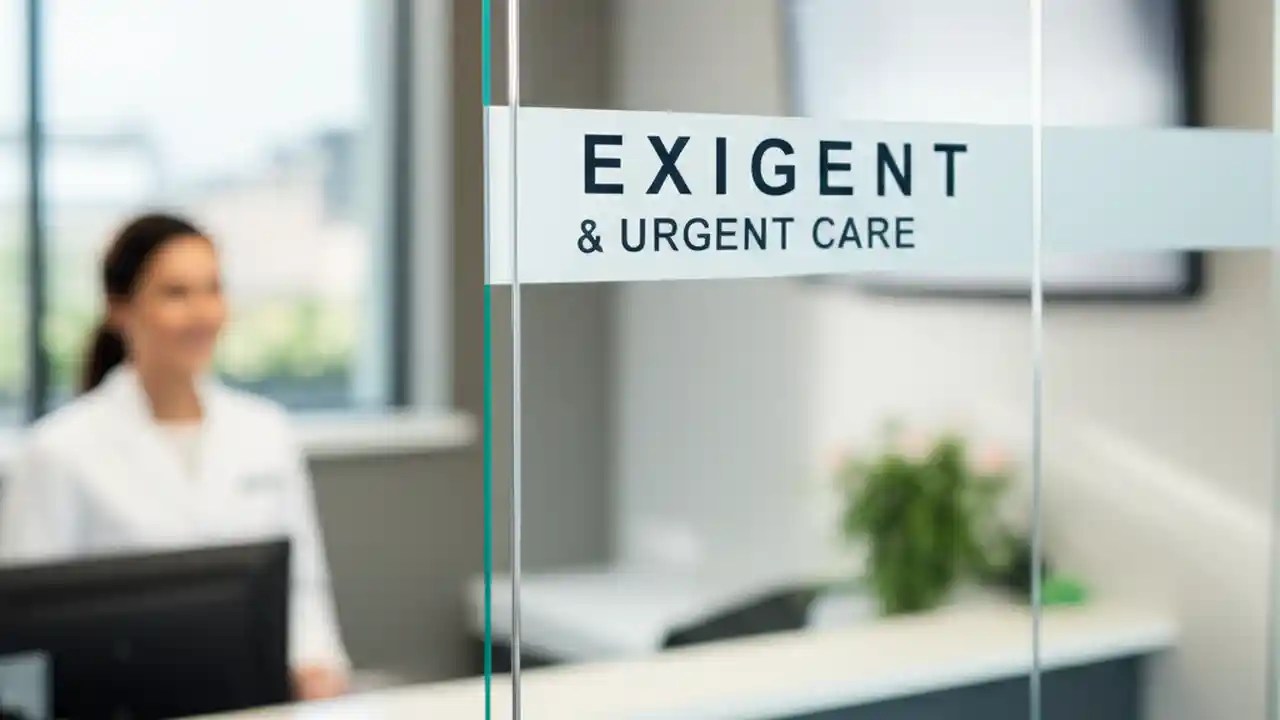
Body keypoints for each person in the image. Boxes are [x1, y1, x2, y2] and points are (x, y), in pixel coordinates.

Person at [0, 213, 349, 701]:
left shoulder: (265, 430)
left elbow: (304, 586)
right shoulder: (57, 452)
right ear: (120, 309)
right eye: (176, 293)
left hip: (254, 701)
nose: (203, 313)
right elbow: (23, 629)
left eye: (213, 289)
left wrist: (317, 665)